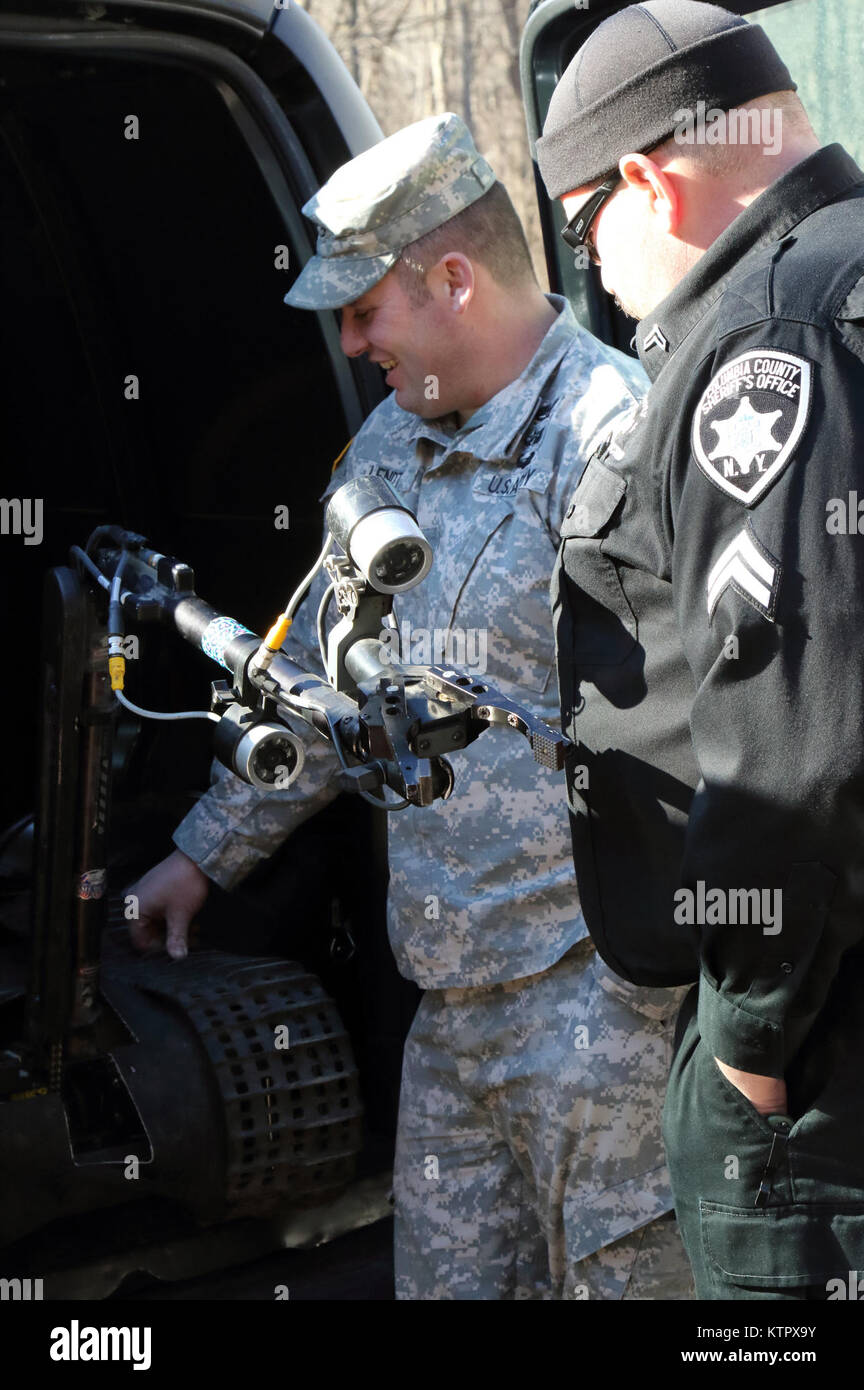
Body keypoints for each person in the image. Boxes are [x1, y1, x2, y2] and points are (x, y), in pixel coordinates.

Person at [128, 113, 694, 1300]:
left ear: (451, 277)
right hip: (450, 1010)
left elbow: (710, 730)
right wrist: (200, 857)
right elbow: (327, 680)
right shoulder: (387, 448)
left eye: (364, 307)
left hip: (602, 1003)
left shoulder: (616, 437)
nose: (348, 342)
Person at [537, 0, 864, 1298]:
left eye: (581, 228)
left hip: (821, 1068)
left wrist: (742, 1040)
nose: (597, 274)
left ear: (645, 180)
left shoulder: (765, 338)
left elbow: (800, 749)